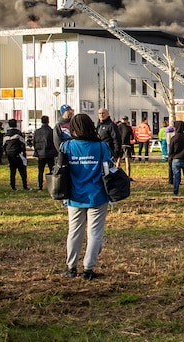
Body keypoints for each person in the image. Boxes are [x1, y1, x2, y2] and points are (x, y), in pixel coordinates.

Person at [59, 113, 114, 280]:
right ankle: (88, 270)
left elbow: (61, 170)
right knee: (95, 233)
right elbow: (108, 168)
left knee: (74, 232)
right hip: (97, 195)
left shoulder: (66, 147)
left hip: (74, 197)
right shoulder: (101, 147)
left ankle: (71, 268)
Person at [33, 115, 58, 191]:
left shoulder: (37, 132)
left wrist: (37, 150)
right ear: (48, 121)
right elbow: (55, 142)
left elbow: (34, 142)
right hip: (50, 153)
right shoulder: (51, 131)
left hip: (41, 154)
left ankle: (40, 186)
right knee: (52, 170)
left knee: (40, 171)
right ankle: (53, 185)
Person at [169, 120, 184, 196]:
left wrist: (170, 158)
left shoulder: (174, 138)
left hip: (176, 159)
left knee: (176, 176)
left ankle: (175, 192)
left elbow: (171, 150)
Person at [3, 121, 29, 191]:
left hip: (9, 154)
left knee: (12, 171)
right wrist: (24, 153)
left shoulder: (6, 134)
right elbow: (23, 143)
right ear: (16, 125)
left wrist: (6, 153)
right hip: (17, 153)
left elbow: (4, 146)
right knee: (22, 169)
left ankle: (13, 186)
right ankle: (25, 186)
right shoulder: (18, 133)